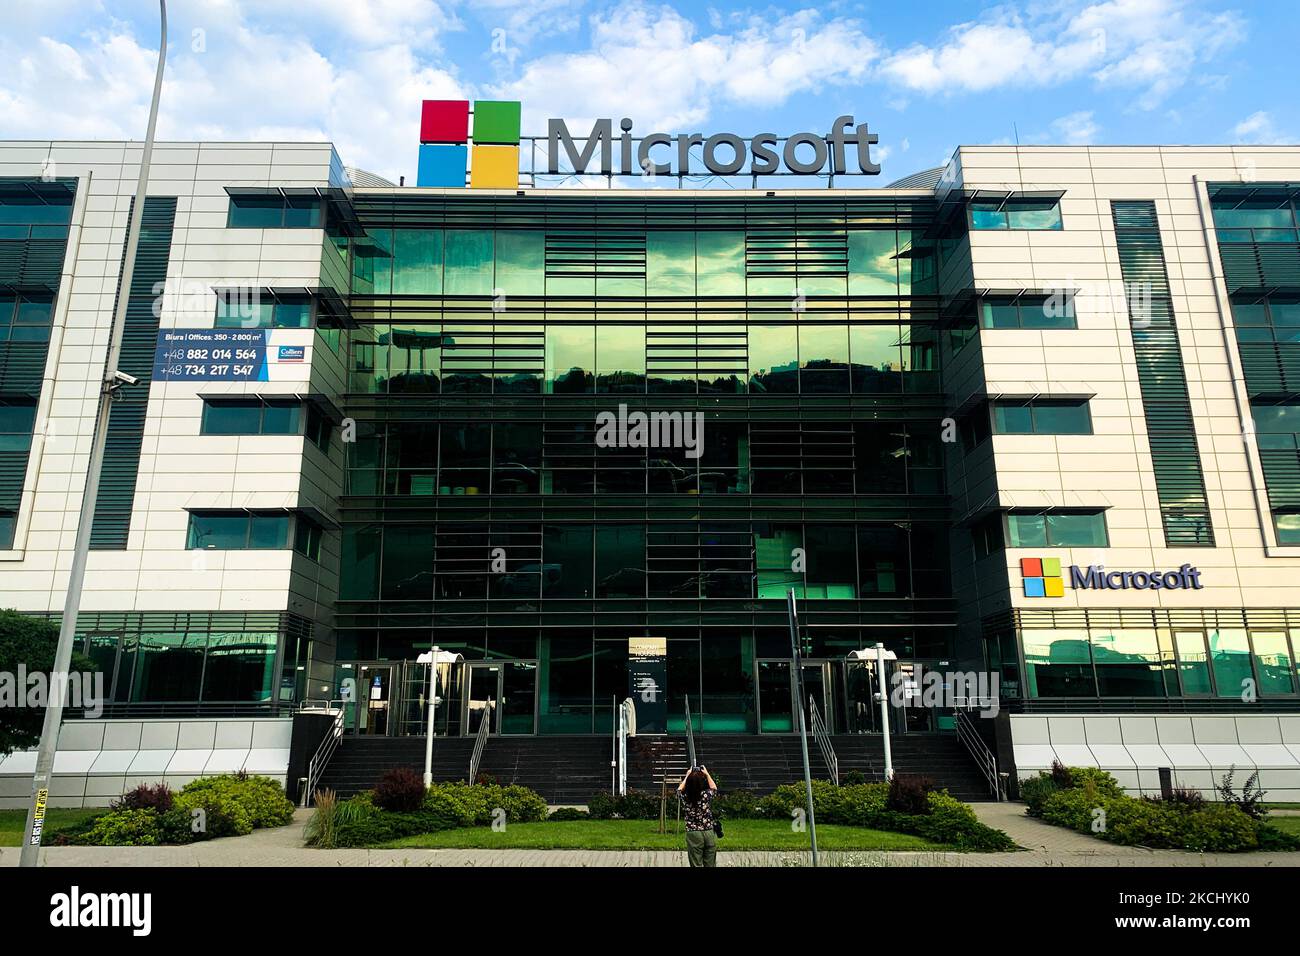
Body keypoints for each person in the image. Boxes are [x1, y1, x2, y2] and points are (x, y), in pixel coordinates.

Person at [676, 764, 719, 867]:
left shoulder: (685, 796)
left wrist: (687, 776)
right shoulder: (705, 795)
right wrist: (707, 774)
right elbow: (714, 788)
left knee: (696, 863)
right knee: (710, 863)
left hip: (693, 832)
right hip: (708, 830)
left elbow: (678, 790)